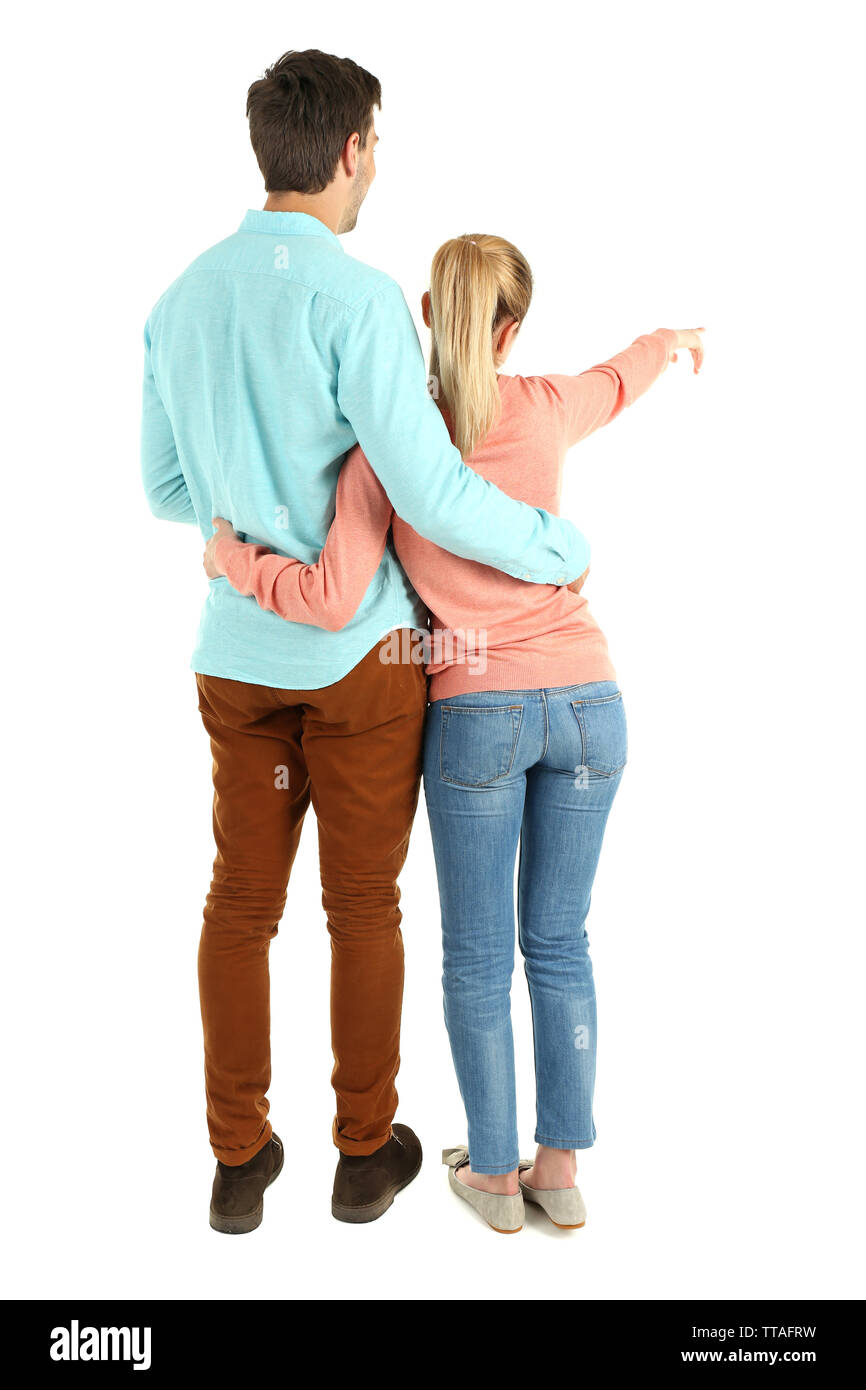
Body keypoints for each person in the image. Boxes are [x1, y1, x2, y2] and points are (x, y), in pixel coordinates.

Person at [141, 55, 590, 1233]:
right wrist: (549, 543)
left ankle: (237, 1159)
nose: (374, 163)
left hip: (234, 660)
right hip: (361, 668)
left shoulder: (178, 299)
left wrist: (248, 553)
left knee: (238, 904)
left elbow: (164, 486)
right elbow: (432, 491)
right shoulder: (359, 299)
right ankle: (360, 1152)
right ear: (349, 152)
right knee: (361, 906)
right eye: (375, 145)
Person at [204, 233, 704, 1233]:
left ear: (427, 316)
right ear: (513, 328)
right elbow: (624, 373)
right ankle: (558, 1168)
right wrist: (676, 340)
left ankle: (490, 1173)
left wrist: (233, 562)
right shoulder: (553, 403)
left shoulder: (386, 445)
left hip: (473, 714)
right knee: (559, 943)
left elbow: (332, 592)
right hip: (591, 701)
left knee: (477, 959)